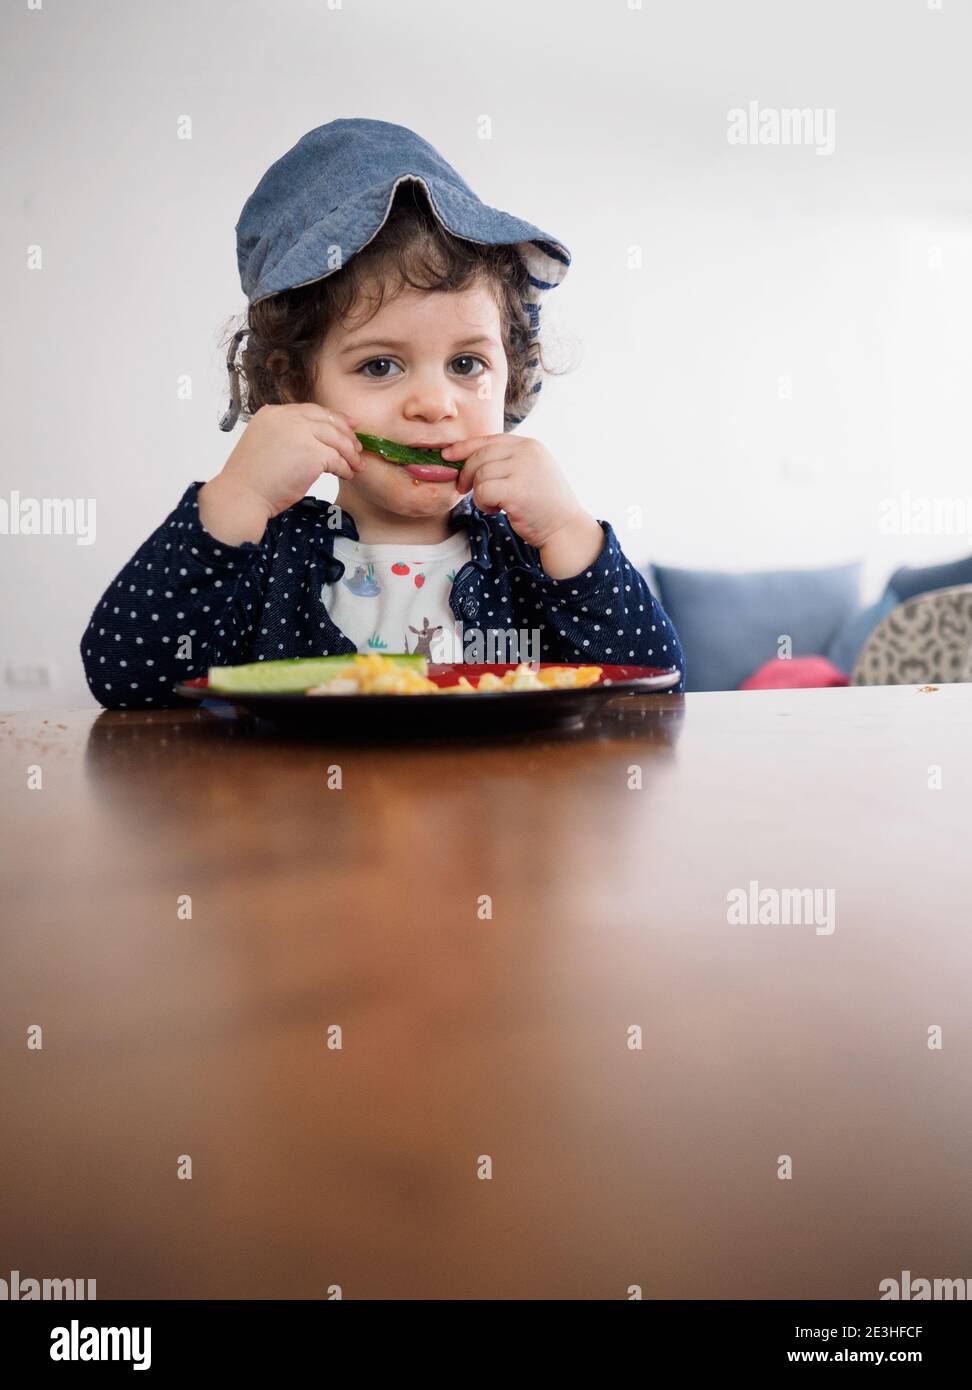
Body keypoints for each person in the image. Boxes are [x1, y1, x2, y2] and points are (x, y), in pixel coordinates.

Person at [80, 118, 684, 707]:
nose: (433, 404)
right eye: (379, 366)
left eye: (467, 365)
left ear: (509, 374)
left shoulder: (530, 561)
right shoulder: (264, 556)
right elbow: (126, 676)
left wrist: (568, 532)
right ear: (292, 385)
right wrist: (237, 497)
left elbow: (659, 684)